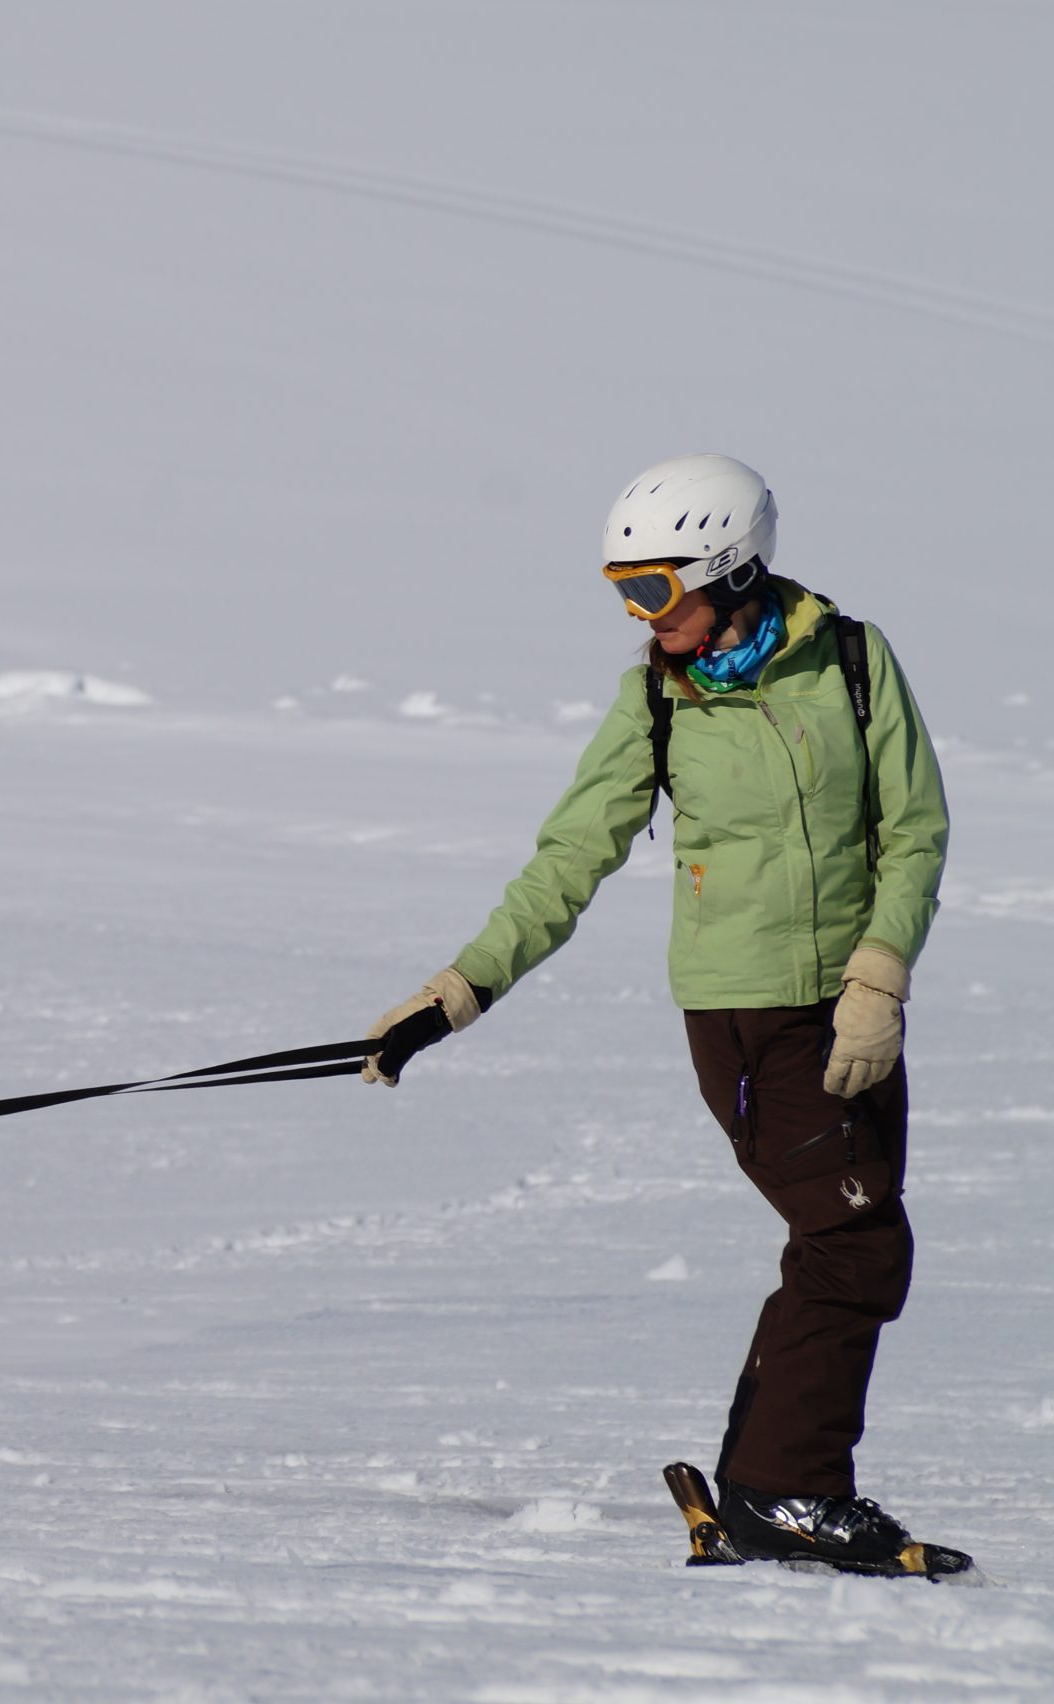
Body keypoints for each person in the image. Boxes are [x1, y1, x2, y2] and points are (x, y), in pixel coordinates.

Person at [363, 453, 956, 1572]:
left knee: (841, 1240)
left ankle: (767, 1482)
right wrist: (460, 990)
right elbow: (570, 857)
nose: (641, 616)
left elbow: (914, 828)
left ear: (733, 573)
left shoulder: (852, 660)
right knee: (855, 1245)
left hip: (855, 1009)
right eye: (623, 591)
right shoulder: (654, 698)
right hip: (745, 1018)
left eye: (654, 589)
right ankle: (784, 1491)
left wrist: (879, 976)